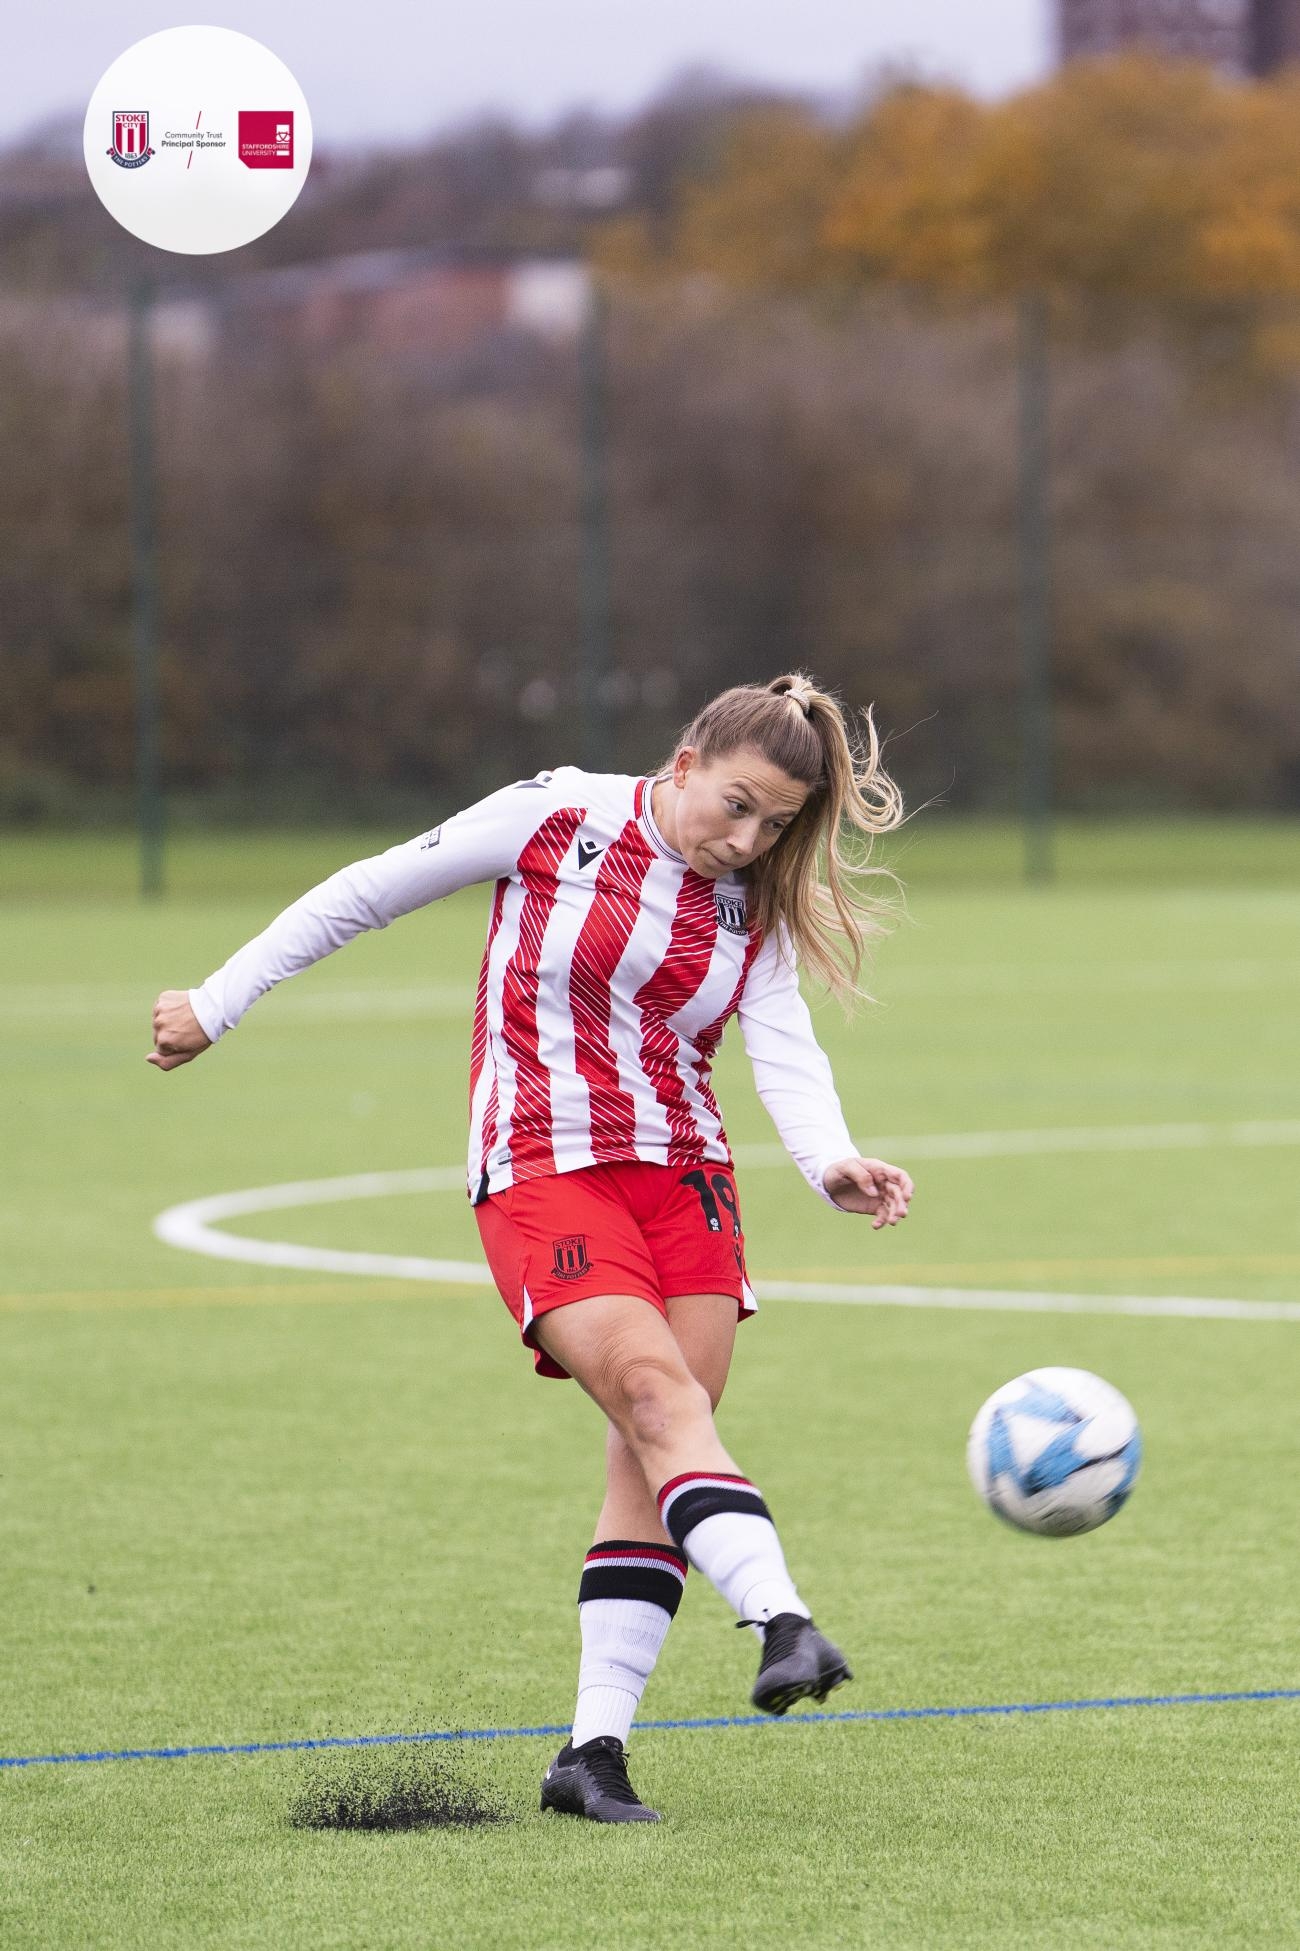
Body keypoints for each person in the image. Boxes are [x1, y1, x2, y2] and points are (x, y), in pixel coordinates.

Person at [148, 672, 914, 1825]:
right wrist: (219, 999)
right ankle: (783, 1620)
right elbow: (366, 892)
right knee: (657, 1397)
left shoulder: (750, 905)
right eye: (736, 805)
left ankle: (588, 1758)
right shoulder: (556, 814)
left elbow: (783, 1044)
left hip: (688, 1184)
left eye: (774, 824)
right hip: (544, 1167)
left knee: (658, 1448)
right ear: (686, 758)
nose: (745, 838)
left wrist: (831, 1162)